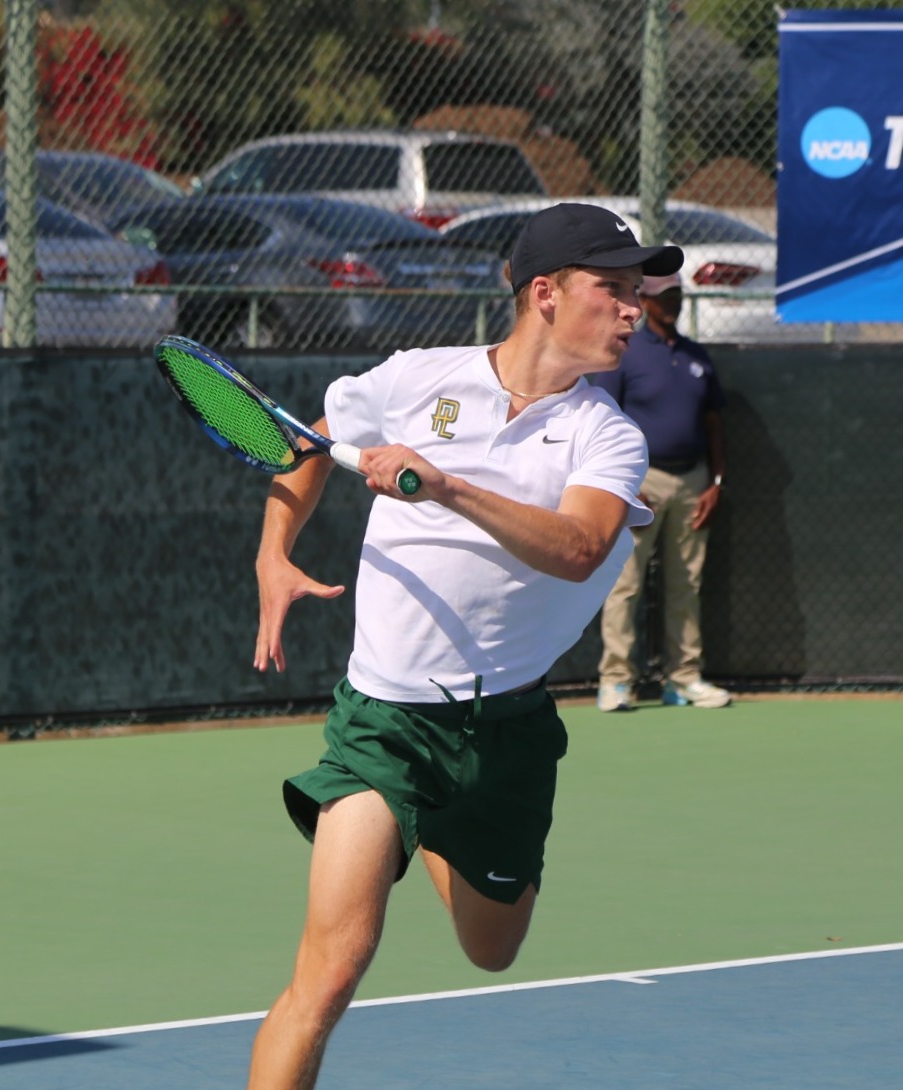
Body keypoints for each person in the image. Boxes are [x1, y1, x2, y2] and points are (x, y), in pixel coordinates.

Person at [245, 202, 681, 1089]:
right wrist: (273, 553)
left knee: (493, 950)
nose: (636, 309)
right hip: (382, 729)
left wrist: (445, 485)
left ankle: (440, 836)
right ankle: (409, 817)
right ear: (546, 294)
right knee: (328, 972)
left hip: (506, 735)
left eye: (641, 292)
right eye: (616, 289)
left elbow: (580, 548)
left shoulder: (608, 434)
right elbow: (312, 443)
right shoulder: (416, 378)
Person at [587, 271, 732, 711]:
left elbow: (714, 424)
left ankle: (683, 679)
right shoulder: (627, 354)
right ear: (645, 303)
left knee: (686, 583)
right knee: (624, 583)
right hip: (639, 484)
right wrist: (626, 483)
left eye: (677, 295)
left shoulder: (696, 356)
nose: (672, 303)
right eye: (662, 296)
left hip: (693, 481)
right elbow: (604, 417)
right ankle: (615, 682)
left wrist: (715, 483)